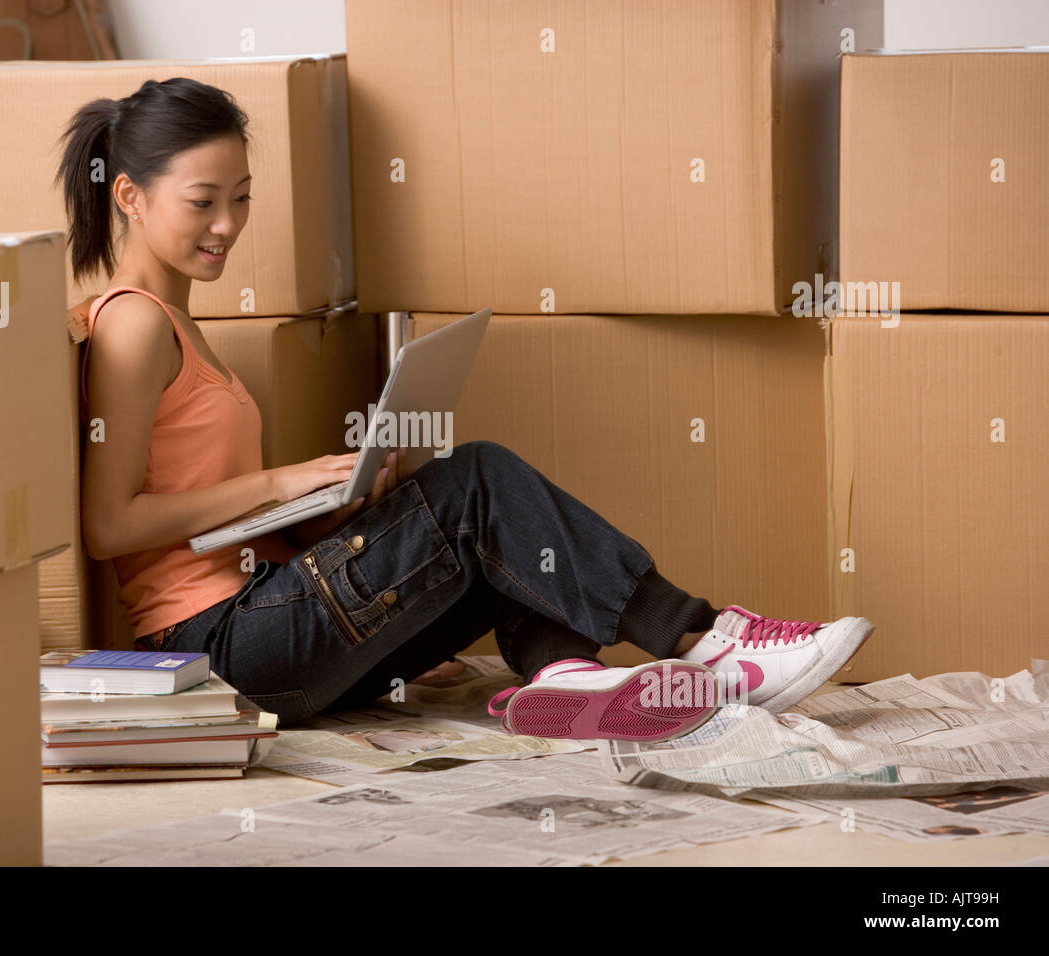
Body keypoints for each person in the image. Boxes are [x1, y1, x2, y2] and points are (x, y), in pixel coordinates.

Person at [59, 77, 875, 741]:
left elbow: (208, 529)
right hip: (219, 650)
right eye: (203, 201)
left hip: (260, 613)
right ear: (128, 195)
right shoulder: (132, 324)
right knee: (477, 480)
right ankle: (708, 640)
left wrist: (332, 512)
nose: (228, 225)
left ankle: (565, 680)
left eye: (241, 197)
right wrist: (280, 482)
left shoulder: (180, 325)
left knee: (485, 541)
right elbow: (111, 525)